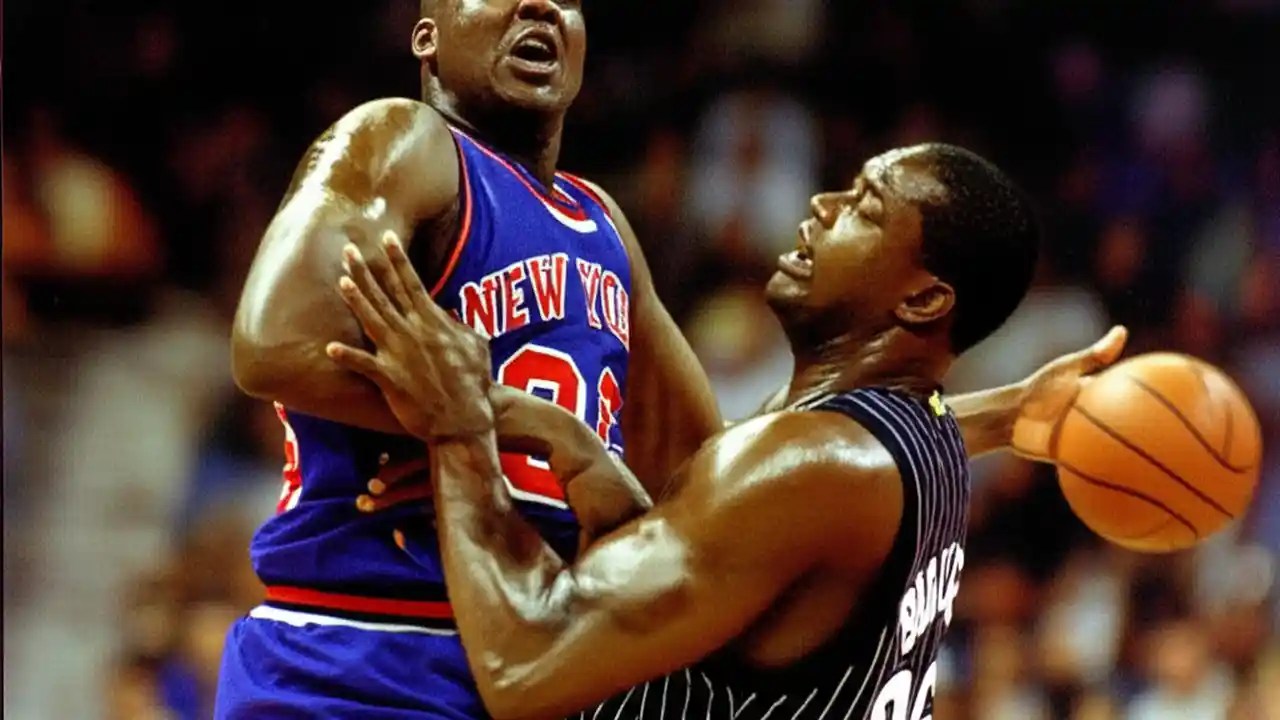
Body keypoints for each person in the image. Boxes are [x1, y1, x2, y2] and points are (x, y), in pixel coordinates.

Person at [220, 0, 1118, 716]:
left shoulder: (600, 223)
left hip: (529, 651)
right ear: (427, 33)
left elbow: (724, 471)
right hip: (360, 654)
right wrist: (503, 424)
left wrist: (994, 415)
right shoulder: (403, 144)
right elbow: (271, 345)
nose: (539, 6)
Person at [329, 142, 1129, 720]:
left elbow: (523, 667)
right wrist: (1013, 411)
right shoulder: (922, 439)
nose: (822, 206)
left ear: (923, 303)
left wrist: (459, 430)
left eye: (863, 207)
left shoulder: (810, 466)